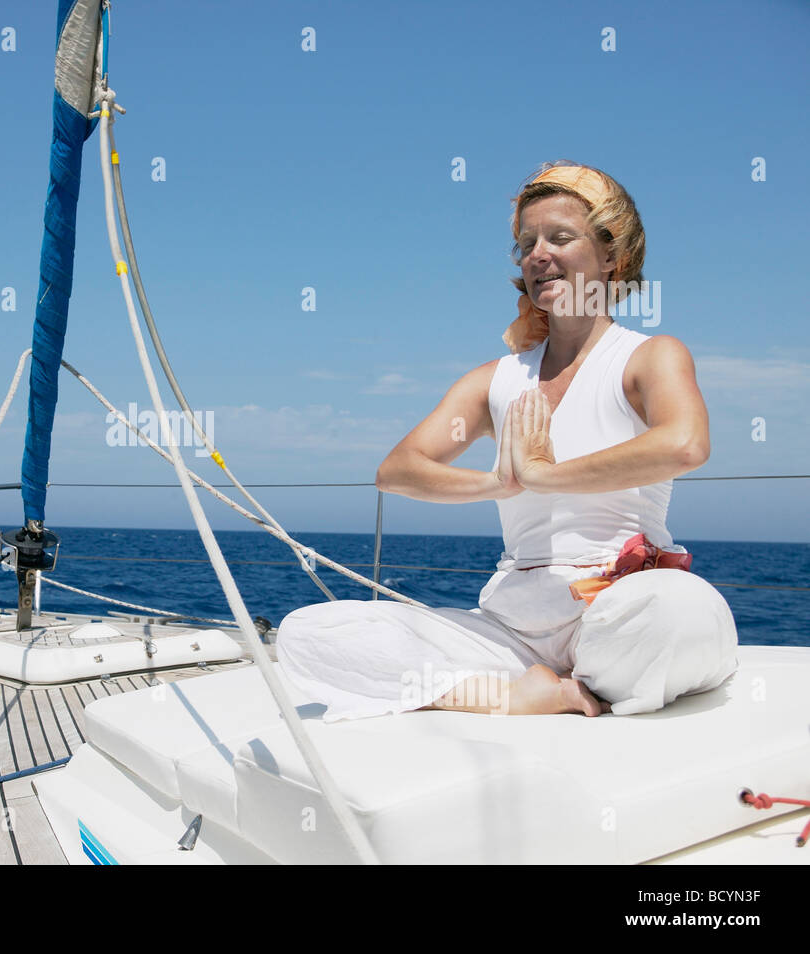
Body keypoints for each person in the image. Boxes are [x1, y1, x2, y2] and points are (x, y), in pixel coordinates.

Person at [277, 161, 738, 719]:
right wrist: (498, 482)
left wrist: (545, 474)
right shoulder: (496, 379)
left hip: (620, 605)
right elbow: (397, 469)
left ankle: (576, 676)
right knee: (311, 632)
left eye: (560, 237)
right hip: (513, 628)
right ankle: (532, 694)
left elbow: (684, 444)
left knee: (681, 611)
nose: (538, 254)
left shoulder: (648, 357)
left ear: (612, 256)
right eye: (526, 243)